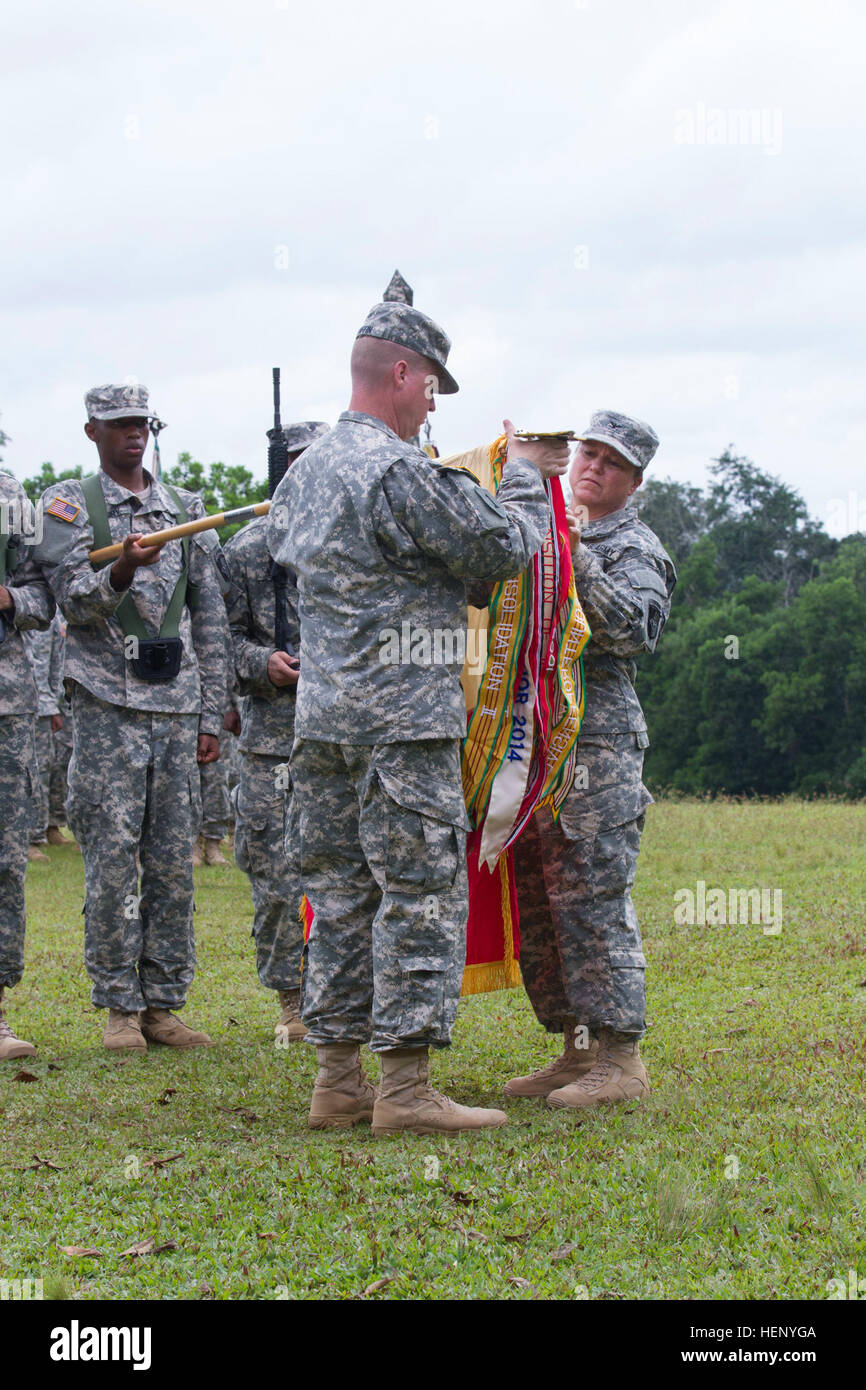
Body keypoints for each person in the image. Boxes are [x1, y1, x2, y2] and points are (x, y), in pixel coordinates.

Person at [267, 299, 569, 1135]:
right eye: (431, 384)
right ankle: (404, 1090)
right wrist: (526, 478)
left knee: (337, 897)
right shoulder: (400, 472)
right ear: (401, 372)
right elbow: (505, 546)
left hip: (322, 724)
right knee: (418, 894)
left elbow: (288, 555)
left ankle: (336, 1082)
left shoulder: (306, 471)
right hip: (403, 724)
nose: (434, 403)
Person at [33, 383, 230, 1052]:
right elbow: (70, 601)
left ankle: (163, 1006)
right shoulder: (70, 507)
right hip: (106, 706)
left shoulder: (184, 509)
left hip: (176, 707)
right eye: (118, 425)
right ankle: (119, 1007)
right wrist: (118, 572)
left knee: (172, 862)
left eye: (141, 423)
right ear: (93, 431)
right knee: (112, 860)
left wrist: (213, 713)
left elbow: (211, 616)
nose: (133, 435)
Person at [505, 410, 676, 1108]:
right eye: (587, 453)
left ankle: (621, 1057)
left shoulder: (637, 547)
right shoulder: (534, 524)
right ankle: (575, 1050)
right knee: (544, 900)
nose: (592, 467)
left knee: (594, 898)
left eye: (611, 462)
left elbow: (632, 632)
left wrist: (574, 552)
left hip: (598, 747)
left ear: (633, 481)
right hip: (533, 744)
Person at [224, 419, 329, 1041]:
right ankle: (291, 998)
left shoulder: (347, 539)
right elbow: (219, 640)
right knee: (275, 872)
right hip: (270, 738)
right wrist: (259, 664)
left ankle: (340, 996)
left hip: (339, 730)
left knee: (343, 869)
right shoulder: (243, 551)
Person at [0, 472, 55, 1059]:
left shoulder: (12, 499)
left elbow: (45, 594)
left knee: (2, 858)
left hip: (5, 703)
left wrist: (11, 599)